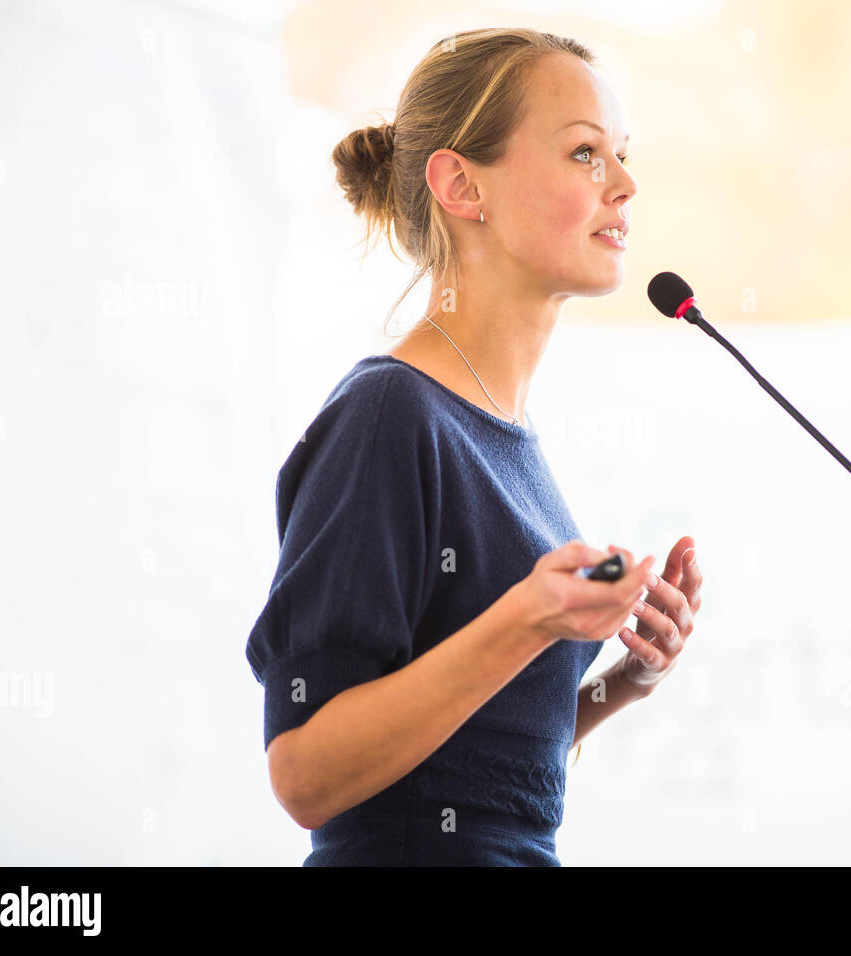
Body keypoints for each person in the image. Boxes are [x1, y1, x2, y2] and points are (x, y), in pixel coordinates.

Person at [245, 27, 705, 865]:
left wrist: (617, 686)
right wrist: (528, 620)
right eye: (584, 154)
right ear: (462, 185)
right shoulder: (389, 416)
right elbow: (306, 771)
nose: (627, 184)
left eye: (623, 155)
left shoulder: (503, 436)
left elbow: (470, 771)